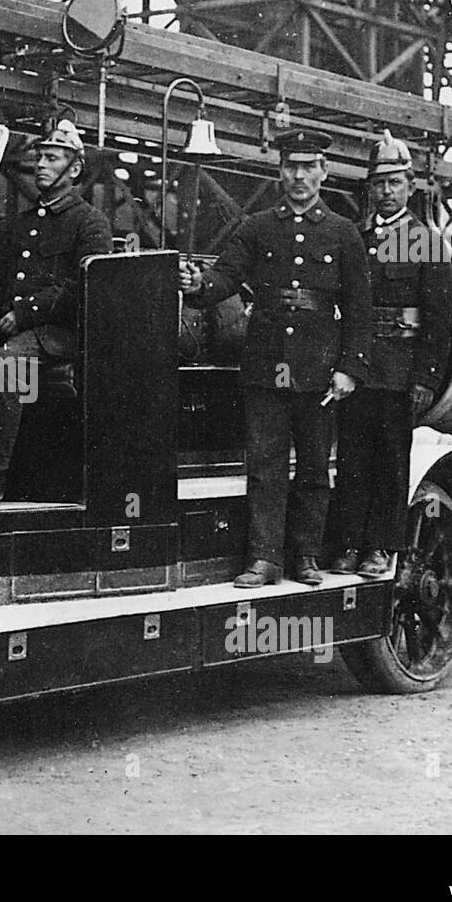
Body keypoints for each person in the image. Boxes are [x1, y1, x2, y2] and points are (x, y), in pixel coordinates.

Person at [180, 129, 371, 588]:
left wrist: (349, 368)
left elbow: (360, 308)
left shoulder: (343, 233)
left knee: (311, 467)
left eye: (309, 166)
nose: (299, 175)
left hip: (318, 368)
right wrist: (197, 286)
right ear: (280, 171)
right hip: (266, 364)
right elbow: (225, 277)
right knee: (264, 466)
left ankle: (305, 556)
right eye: (291, 166)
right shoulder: (257, 225)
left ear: (324, 172)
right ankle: (265, 559)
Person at [328, 132, 452, 577]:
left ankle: (380, 547)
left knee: (389, 463)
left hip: (400, 372)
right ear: (370, 188)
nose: (387, 192)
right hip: (358, 369)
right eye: (379, 184)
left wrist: (426, 378)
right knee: (351, 461)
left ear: (410, 187)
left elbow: (439, 319)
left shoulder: (424, 240)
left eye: (395, 183)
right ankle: (346, 545)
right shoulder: (356, 239)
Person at [0, 119, 113, 504]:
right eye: (40, 157)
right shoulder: (22, 223)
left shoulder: (90, 223)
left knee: (6, 364)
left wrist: (22, 314)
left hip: (61, 334)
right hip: (17, 328)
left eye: (52, 158)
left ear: (75, 169)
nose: (41, 165)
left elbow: (80, 288)